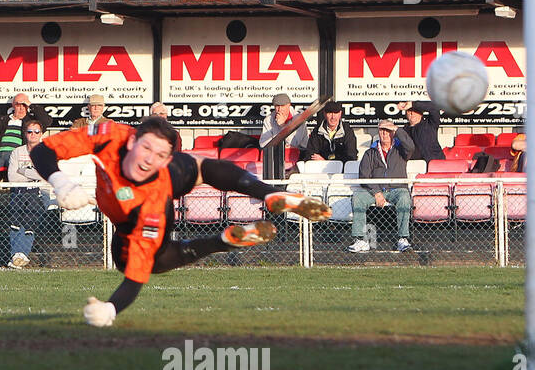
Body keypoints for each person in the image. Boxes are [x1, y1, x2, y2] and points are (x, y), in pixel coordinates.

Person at [30, 117, 332, 327]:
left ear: (165, 160)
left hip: (150, 198)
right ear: (132, 139)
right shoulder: (109, 135)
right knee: (202, 167)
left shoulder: (153, 202)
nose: (149, 158)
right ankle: (265, 197)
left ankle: (227, 235)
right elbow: (45, 149)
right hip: (165, 177)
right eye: (146, 148)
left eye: (159, 154)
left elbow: (136, 277)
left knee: (154, 262)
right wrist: (59, 181)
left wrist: (110, 309)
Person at [348, 120, 417, 253]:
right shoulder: (370, 152)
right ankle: (361, 240)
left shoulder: (401, 151)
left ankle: (403, 238)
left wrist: (397, 129)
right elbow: (364, 176)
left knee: (404, 197)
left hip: (397, 189)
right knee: (358, 198)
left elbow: (411, 146)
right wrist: (376, 192)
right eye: (381, 130)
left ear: (393, 133)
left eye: (387, 130)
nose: (384, 133)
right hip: (375, 190)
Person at [6, 119, 52, 268]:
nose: (33, 135)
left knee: (29, 218)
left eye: (36, 132)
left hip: (39, 192)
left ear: (41, 134)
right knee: (15, 223)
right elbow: (12, 177)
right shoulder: (17, 152)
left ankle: (18, 255)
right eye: (30, 131)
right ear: (25, 134)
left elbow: (46, 175)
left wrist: (23, 170)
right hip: (19, 191)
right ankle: (20, 257)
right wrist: (33, 174)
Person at [0, 93, 53, 181]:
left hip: (16, 154)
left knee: (16, 174)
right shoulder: (2, 120)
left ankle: (15, 195)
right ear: (13, 105)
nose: (21, 108)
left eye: (24, 105)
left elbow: (47, 121)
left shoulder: (30, 122)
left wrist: (30, 104)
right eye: (18, 105)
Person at [260, 93, 309, 180]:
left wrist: (283, 126)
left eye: (282, 106)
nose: (279, 109)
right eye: (277, 106)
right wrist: (280, 142)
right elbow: (263, 143)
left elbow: (295, 143)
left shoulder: (299, 119)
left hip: (300, 155)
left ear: (289, 105)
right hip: (276, 155)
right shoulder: (269, 119)